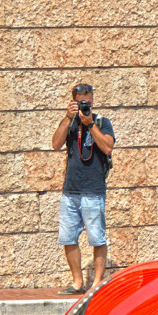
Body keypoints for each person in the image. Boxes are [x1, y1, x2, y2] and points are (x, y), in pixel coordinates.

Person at [52, 82, 114, 294]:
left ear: (92, 99)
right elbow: (55, 144)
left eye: (87, 101)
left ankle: (97, 283)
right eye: (80, 103)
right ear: (73, 102)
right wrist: (68, 118)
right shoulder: (69, 123)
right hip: (71, 191)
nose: (84, 106)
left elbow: (107, 147)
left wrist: (89, 125)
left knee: (97, 237)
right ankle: (78, 282)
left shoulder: (102, 122)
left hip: (93, 190)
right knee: (68, 237)